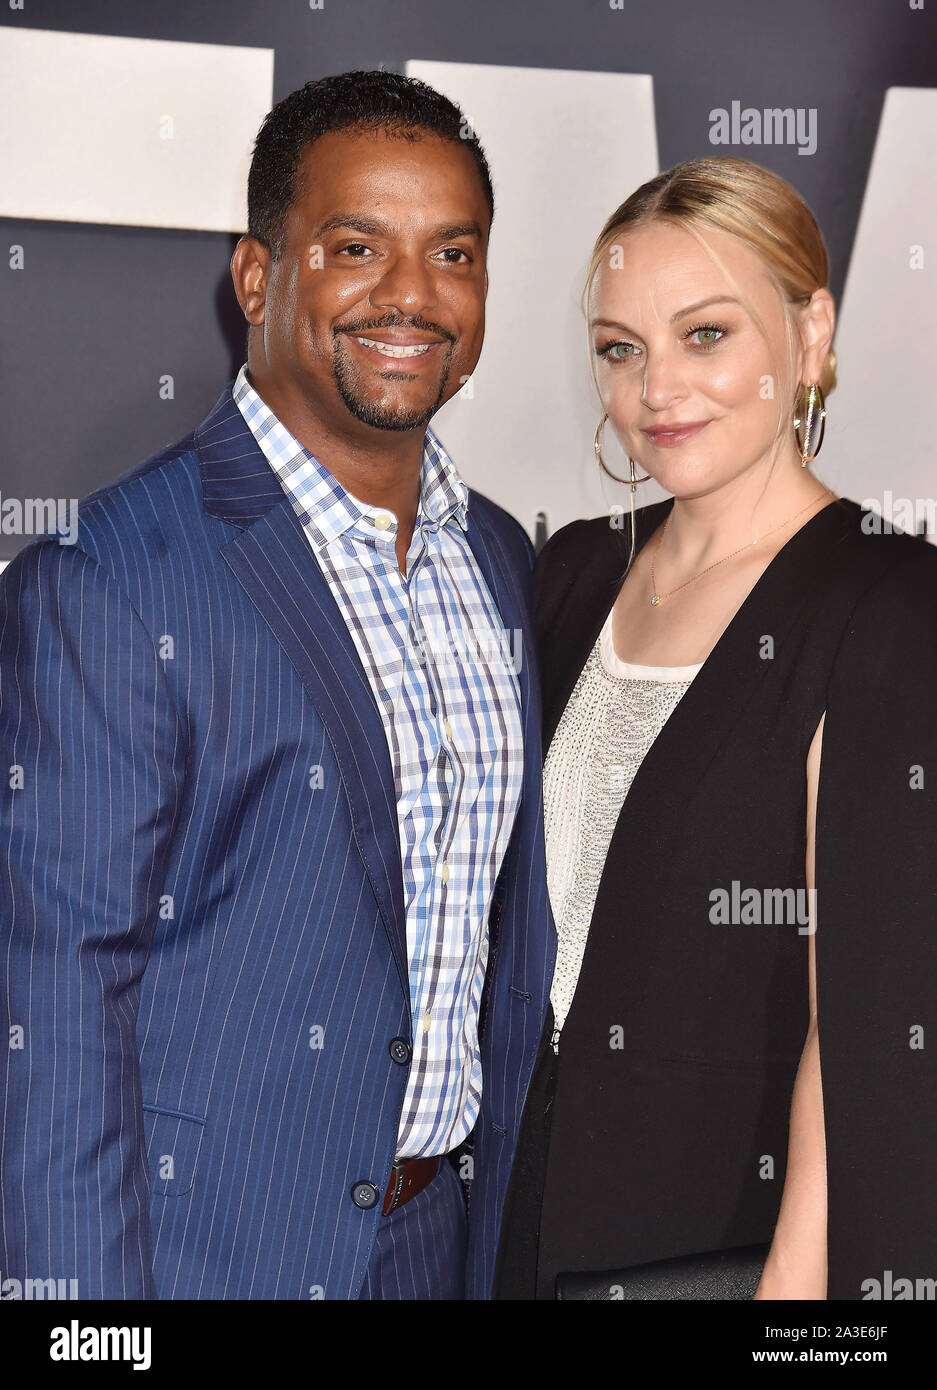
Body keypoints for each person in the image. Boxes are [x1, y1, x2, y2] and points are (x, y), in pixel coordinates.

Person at [0, 70, 556, 1301]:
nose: (411, 295)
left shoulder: (503, 560)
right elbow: (53, 1009)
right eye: (357, 247)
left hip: (446, 1243)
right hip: (207, 1261)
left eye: (452, 252)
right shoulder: (112, 578)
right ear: (260, 277)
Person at [494, 156, 937, 1301]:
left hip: (711, 1233)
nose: (656, 390)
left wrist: (791, 1296)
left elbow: (868, 1013)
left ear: (811, 330)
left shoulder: (886, 602)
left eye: (704, 335)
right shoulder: (574, 570)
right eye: (619, 347)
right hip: (507, 1204)